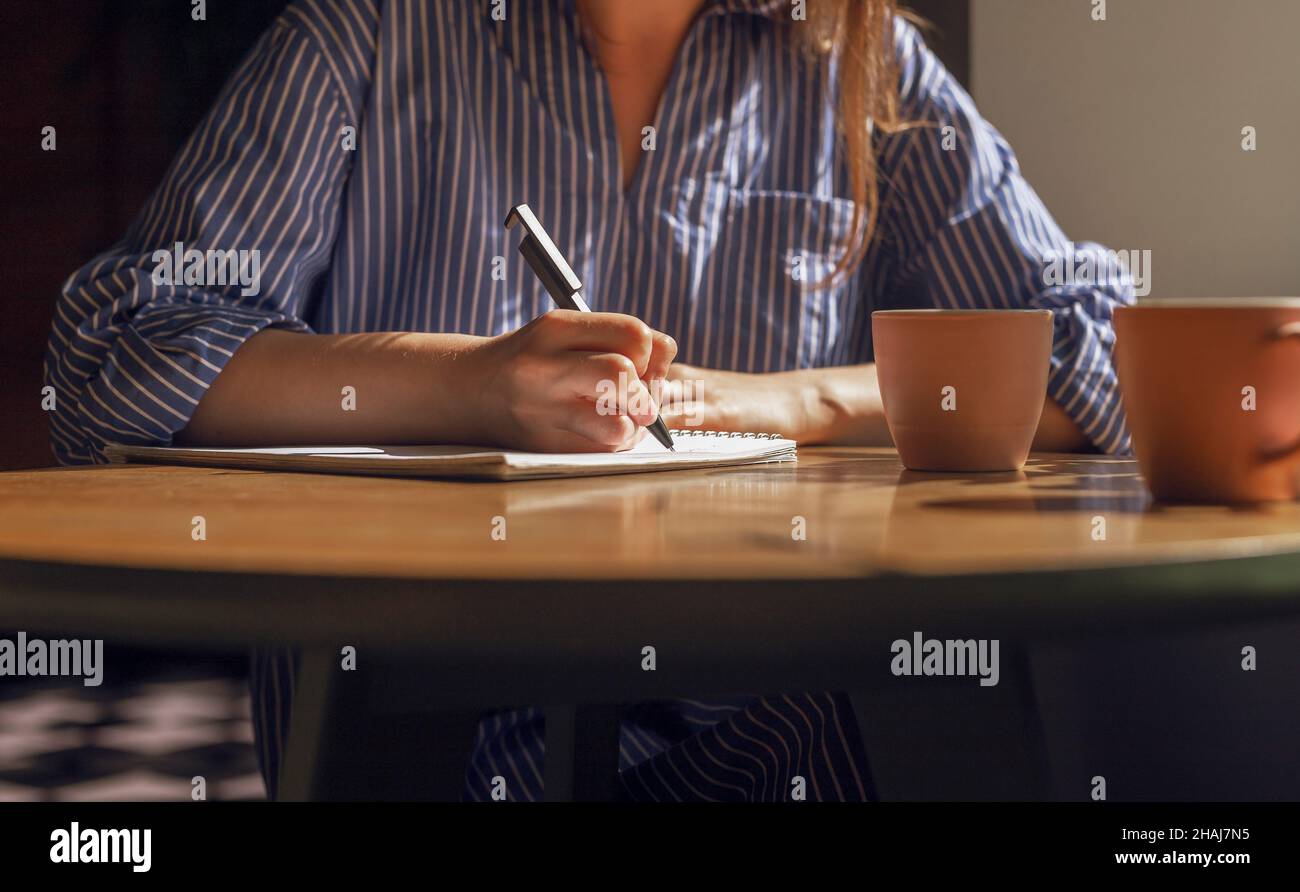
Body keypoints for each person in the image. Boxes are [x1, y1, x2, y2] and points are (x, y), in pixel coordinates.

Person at [46, 0, 1133, 800]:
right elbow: (113, 357)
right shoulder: (366, 38)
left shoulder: (853, 57)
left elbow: (1104, 358)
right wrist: (466, 388)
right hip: (420, 745)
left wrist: (794, 400)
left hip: (769, 732)